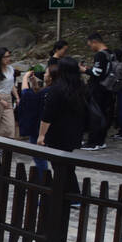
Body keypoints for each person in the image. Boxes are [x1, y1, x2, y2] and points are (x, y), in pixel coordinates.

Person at [37, 56, 89, 197]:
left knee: (60, 165)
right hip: (74, 131)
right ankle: (69, 193)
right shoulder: (81, 87)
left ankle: (70, 194)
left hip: (57, 133)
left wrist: (41, 135)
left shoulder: (57, 89)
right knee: (66, 164)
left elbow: (47, 115)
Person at [83, 32, 114, 149]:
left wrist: (84, 70)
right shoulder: (111, 53)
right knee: (104, 115)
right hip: (108, 87)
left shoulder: (100, 55)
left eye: (90, 45)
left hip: (98, 89)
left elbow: (97, 73)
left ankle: (92, 142)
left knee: (95, 115)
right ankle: (101, 141)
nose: (90, 47)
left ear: (95, 42)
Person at [18, 66, 49, 178]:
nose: (44, 75)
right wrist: (34, 84)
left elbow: (27, 95)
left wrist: (25, 78)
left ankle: (44, 181)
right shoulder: (55, 90)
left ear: (50, 78)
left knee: (40, 157)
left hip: (41, 129)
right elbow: (37, 95)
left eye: (46, 73)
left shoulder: (47, 91)